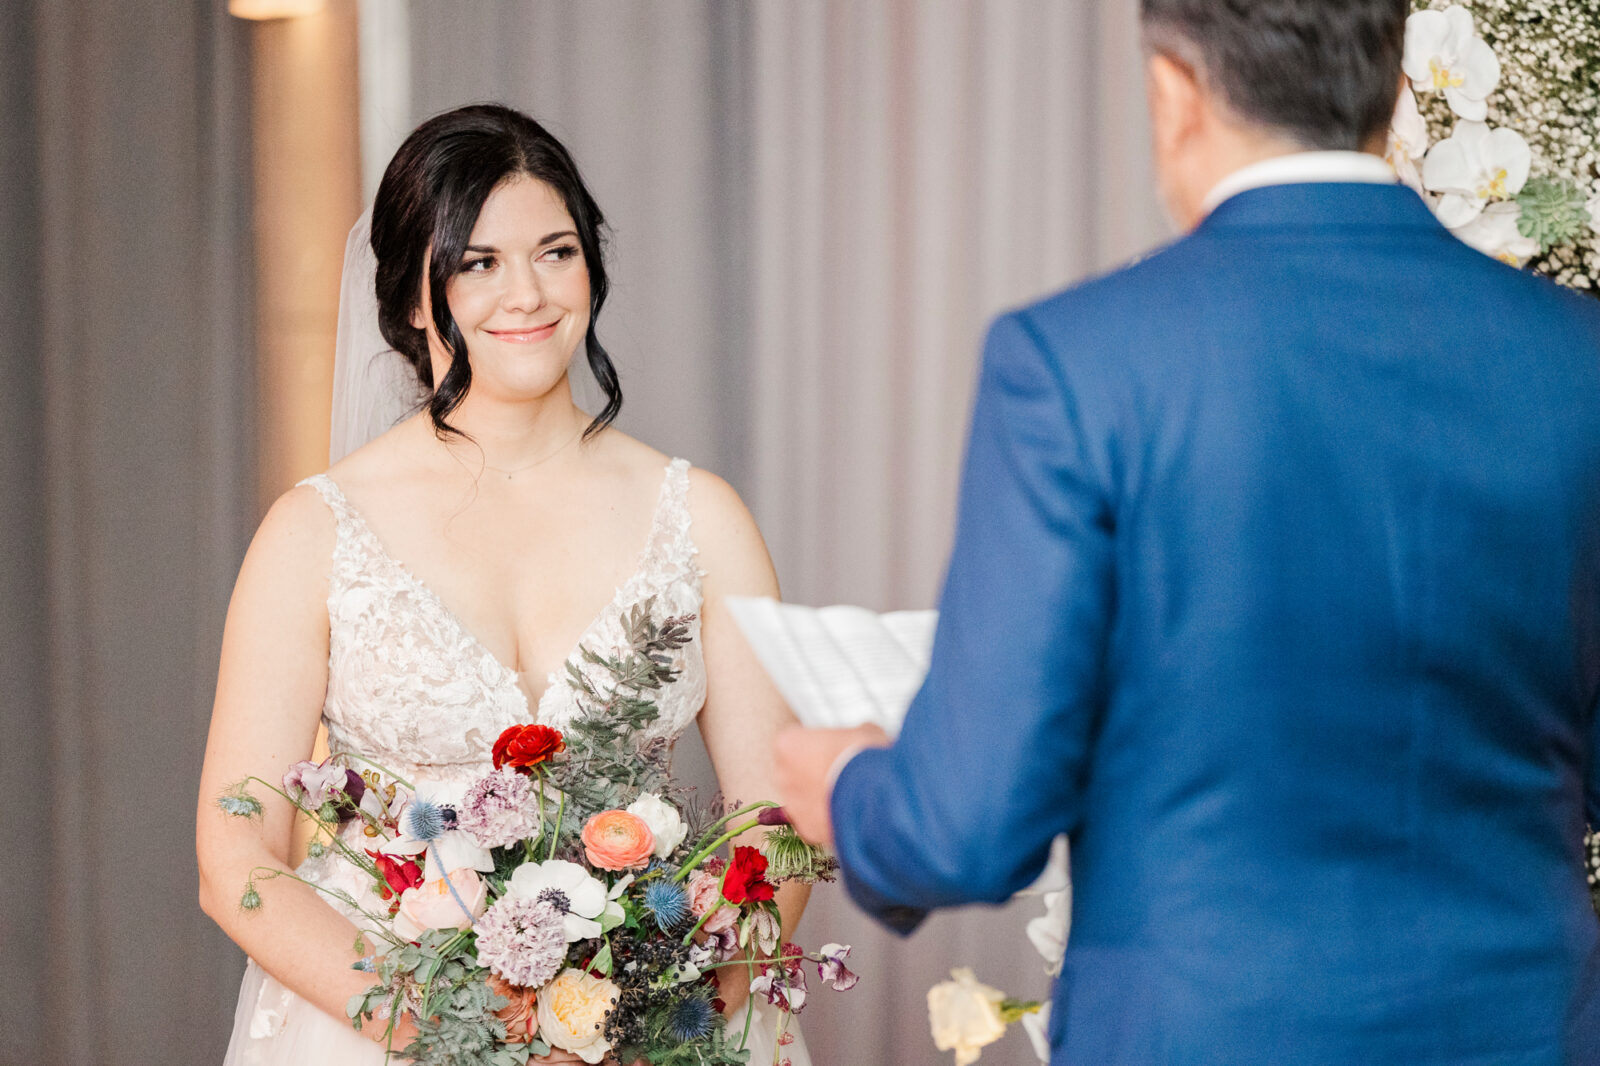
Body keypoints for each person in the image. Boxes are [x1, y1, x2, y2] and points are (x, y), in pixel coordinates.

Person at [775, 0, 1600, 1062]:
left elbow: (965, 829)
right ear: (1397, 91)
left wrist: (846, 787)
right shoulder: (1577, 359)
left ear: (1174, 92)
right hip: (1525, 1026)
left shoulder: (1076, 361)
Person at [197, 104, 809, 1065]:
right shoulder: (314, 533)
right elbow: (235, 855)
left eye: (555, 253)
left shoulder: (703, 518)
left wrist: (664, 1011)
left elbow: (777, 820)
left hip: (647, 1031)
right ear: (410, 299)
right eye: (478, 262)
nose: (526, 292)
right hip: (377, 1026)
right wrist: (450, 1032)